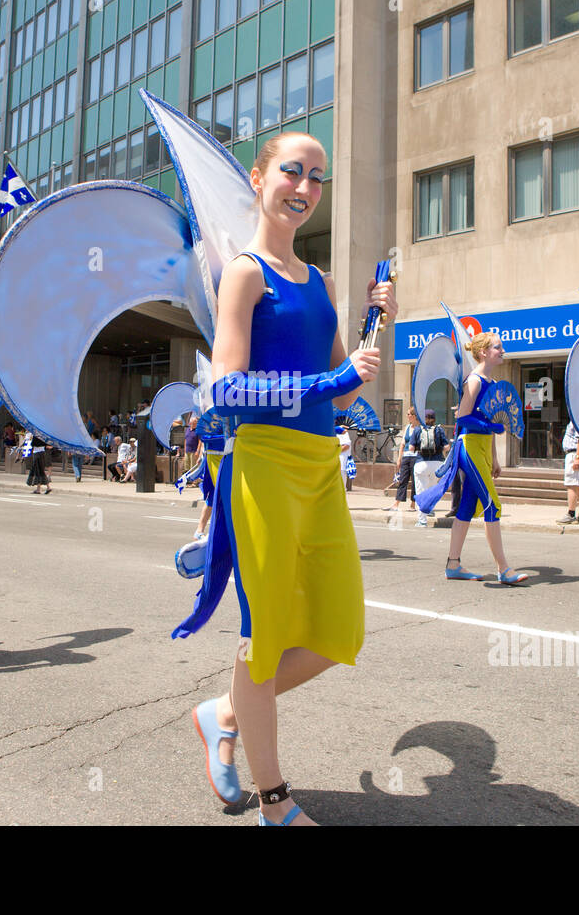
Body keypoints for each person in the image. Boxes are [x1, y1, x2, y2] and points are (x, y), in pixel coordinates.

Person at [181, 130, 395, 826]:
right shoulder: (245, 274)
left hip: (319, 468)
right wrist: (332, 378)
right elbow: (227, 390)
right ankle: (275, 801)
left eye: (317, 178)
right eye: (293, 173)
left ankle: (224, 712)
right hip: (264, 465)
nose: (304, 188)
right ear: (260, 178)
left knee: (341, 630)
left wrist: (370, 327)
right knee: (265, 632)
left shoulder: (322, 282)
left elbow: (337, 393)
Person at [417, 333, 527, 585]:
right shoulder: (475, 381)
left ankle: (453, 564)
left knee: (467, 507)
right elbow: (463, 417)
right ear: (483, 352)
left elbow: (491, 423)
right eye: (497, 347)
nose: (502, 351)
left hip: (483, 450)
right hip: (469, 448)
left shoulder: (492, 381)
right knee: (493, 505)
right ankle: (503, 569)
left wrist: (495, 457)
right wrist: (491, 428)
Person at [414, 408, 447, 526]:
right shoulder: (439, 430)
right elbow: (447, 447)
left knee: (421, 491)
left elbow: (411, 448)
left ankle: (422, 521)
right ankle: (430, 509)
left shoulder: (418, 430)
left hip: (421, 463)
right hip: (437, 464)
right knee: (432, 489)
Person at [557, 420, 579, 525]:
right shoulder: (577, 415)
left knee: (572, 484)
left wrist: (577, 457)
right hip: (575, 453)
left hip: (575, 453)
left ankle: (571, 513)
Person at [390, 407, 420, 513]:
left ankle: (413, 503)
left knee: (415, 481)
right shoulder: (408, 427)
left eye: (408, 414)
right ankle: (397, 502)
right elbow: (402, 444)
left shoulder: (419, 428)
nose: (407, 416)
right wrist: (399, 458)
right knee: (403, 479)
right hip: (406, 456)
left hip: (416, 456)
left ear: (414, 416)